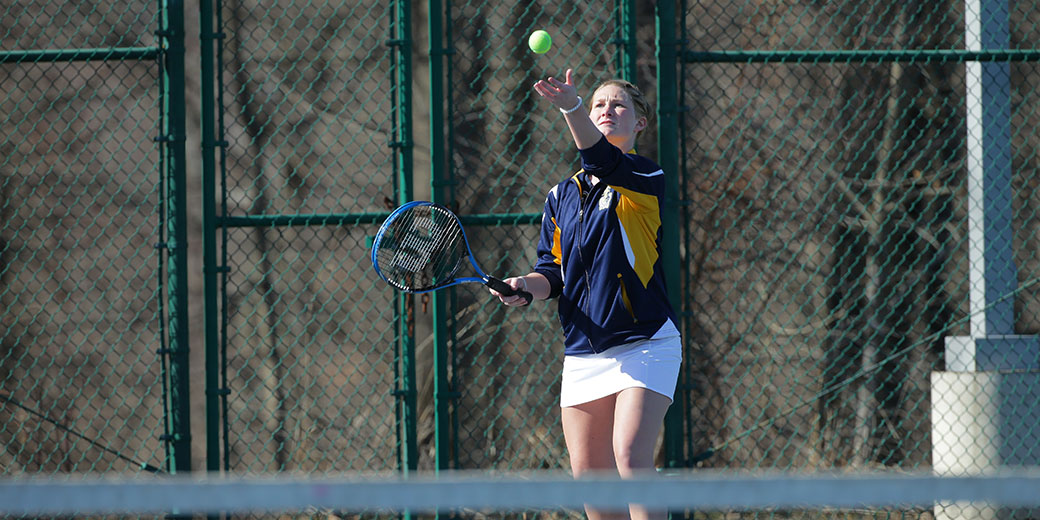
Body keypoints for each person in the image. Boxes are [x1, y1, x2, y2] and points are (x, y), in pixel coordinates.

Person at [489, 69, 682, 520]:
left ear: (639, 123)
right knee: (592, 481)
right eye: (598, 105)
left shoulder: (644, 176)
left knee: (630, 456)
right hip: (584, 353)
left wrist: (572, 107)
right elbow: (552, 273)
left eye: (618, 105)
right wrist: (525, 286)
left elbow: (602, 161)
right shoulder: (561, 197)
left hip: (645, 342)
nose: (606, 110)